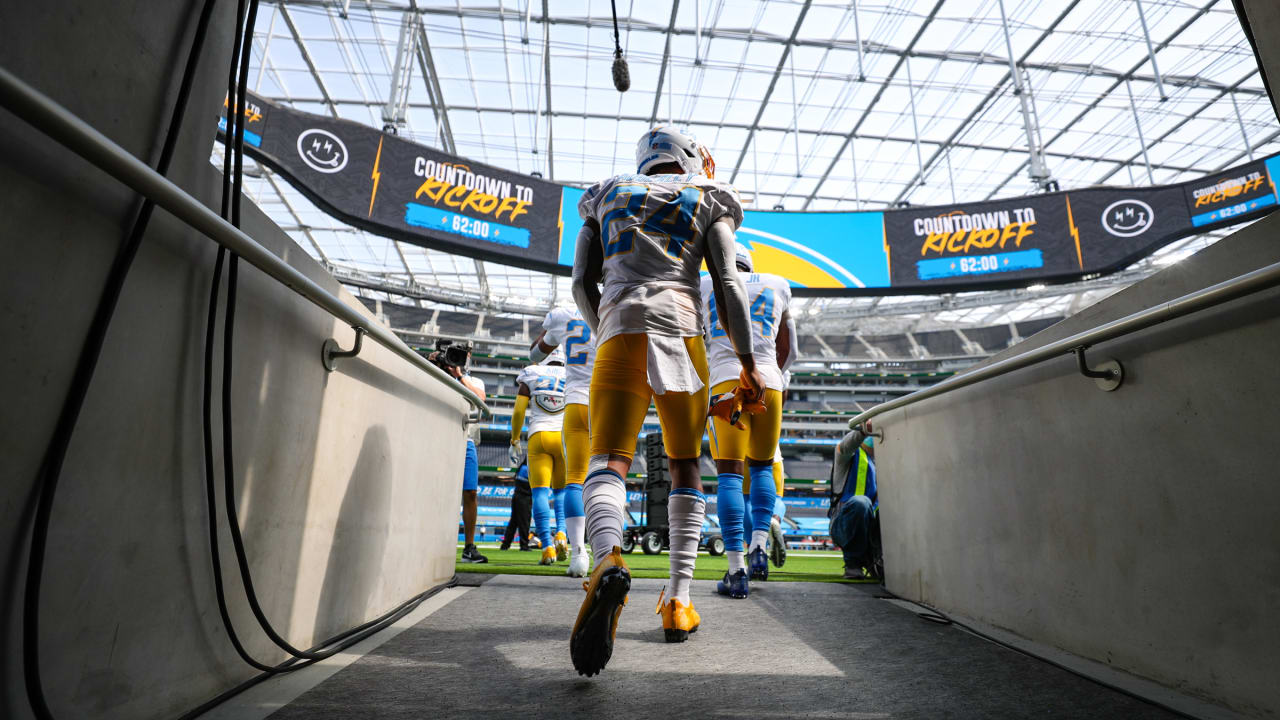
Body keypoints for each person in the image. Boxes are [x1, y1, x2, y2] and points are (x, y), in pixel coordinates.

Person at [569, 126, 763, 676]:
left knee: (608, 460)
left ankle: (606, 555)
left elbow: (581, 281)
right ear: (687, 158)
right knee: (684, 465)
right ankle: (677, 600)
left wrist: (608, 326)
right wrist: (747, 362)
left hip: (618, 326)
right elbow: (727, 282)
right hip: (682, 331)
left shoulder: (605, 193)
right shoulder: (708, 197)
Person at [703, 243, 795, 598]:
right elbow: (789, 349)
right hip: (769, 381)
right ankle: (759, 544)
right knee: (762, 468)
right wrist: (775, 381)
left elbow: (696, 340)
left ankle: (736, 568)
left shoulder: (706, 283)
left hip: (727, 378)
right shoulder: (777, 283)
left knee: (728, 474)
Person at [530, 305, 596, 577]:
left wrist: (553, 336)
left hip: (576, 402)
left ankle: (579, 553)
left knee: (575, 480)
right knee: (611, 476)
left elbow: (535, 353)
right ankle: (607, 549)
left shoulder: (562, 315)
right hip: (608, 401)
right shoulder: (619, 301)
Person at [510, 349, 568, 567]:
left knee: (540, 493)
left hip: (539, 435)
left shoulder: (532, 372)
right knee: (562, 491)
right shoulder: (572, 374)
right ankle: (562, 533)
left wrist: (514, 439)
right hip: (563, 437)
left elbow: (518, 412)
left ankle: (547, 547)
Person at [829, 424, 881, 580]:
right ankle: (853, 563)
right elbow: (844, 447)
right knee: (861, 502)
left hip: (870, 525)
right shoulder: (848, 457)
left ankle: (878, 560)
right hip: (843, 523)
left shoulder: (886, 464)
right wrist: (864, 430)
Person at [500, 460, 532, 551]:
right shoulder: (527, 469)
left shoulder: (522, 468)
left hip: (517, 497)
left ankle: (506, 544)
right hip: (524, 498)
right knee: (524, 522)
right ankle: (524, 545)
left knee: (513, 522)